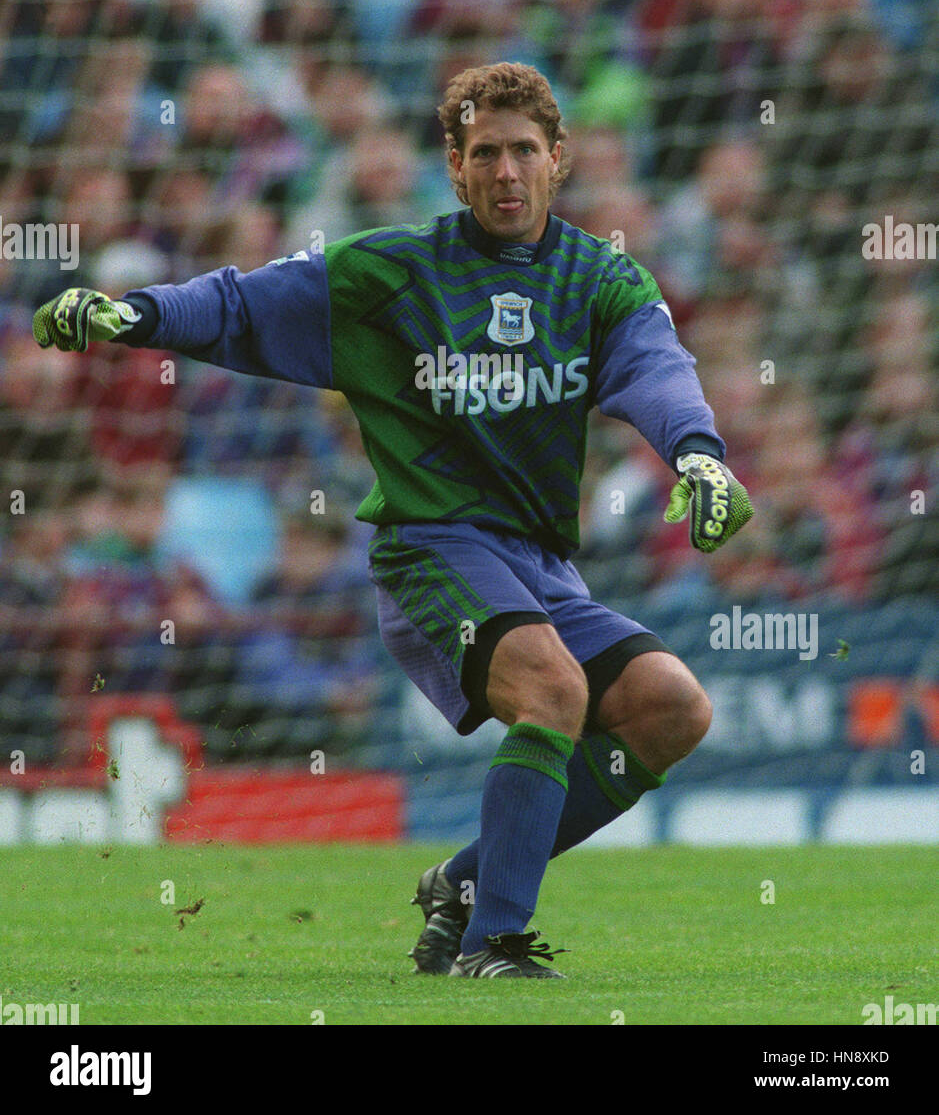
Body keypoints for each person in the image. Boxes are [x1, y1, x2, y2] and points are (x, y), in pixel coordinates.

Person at [33, 63, 753, 979]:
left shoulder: (600, 278)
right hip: (429, 551)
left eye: (523, 151)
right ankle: (494, 946)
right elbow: (240, 302)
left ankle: (460, 883)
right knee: (554, 695)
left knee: (670, 710)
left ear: (557, 160)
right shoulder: (390, 273)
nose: (504, 172)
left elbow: (657, 367)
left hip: (538, 568)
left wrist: (696, 451)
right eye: (483, 152)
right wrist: (130, 312)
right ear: (453, 168)